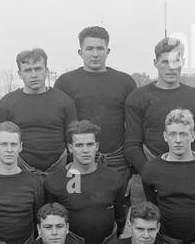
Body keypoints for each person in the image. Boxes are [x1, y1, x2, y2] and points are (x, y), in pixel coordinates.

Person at [123, 36, 195, 175]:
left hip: (189, 175)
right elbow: (132, 146)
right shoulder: (138, 98)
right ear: (155, 63)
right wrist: (151, 173)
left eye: (176, 61)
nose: (171, 67)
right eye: (165, 62)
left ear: (183, 62)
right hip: (150, 176)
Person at [54, 27, 137, 179]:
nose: (95, 54)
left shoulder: (125, 82)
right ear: (80, 52)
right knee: (76, 200)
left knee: (117, 202)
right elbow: (59, 124)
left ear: (108, 51)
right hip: (77, 159)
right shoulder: (65, 82)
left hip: (116, 159)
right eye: (89, 48)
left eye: (100, 48)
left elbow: (133, 125)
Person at [137, 108, 195, 244]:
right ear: (165, 136)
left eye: (183, 134)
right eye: (172, 134)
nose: (178, 140)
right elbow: (152, 208)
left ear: (192, 136)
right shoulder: (151, 170)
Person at [43, 120, 128, 244]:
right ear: (70, 148)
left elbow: (120, 217)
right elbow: (48, 222)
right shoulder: (54, 181)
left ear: (97, 146)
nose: (85, 150)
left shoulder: (114, 178)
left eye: (89, 144)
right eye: (79, 145)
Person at [0, 48, 77, 175]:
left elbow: (73, 140)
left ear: (46, 71)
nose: (33, 75)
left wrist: (71, 172)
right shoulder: (7, 103)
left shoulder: (65, 101)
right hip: (19, 170)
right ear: (20, 74)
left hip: (59, 169)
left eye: (38, 69)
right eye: (27, 70)